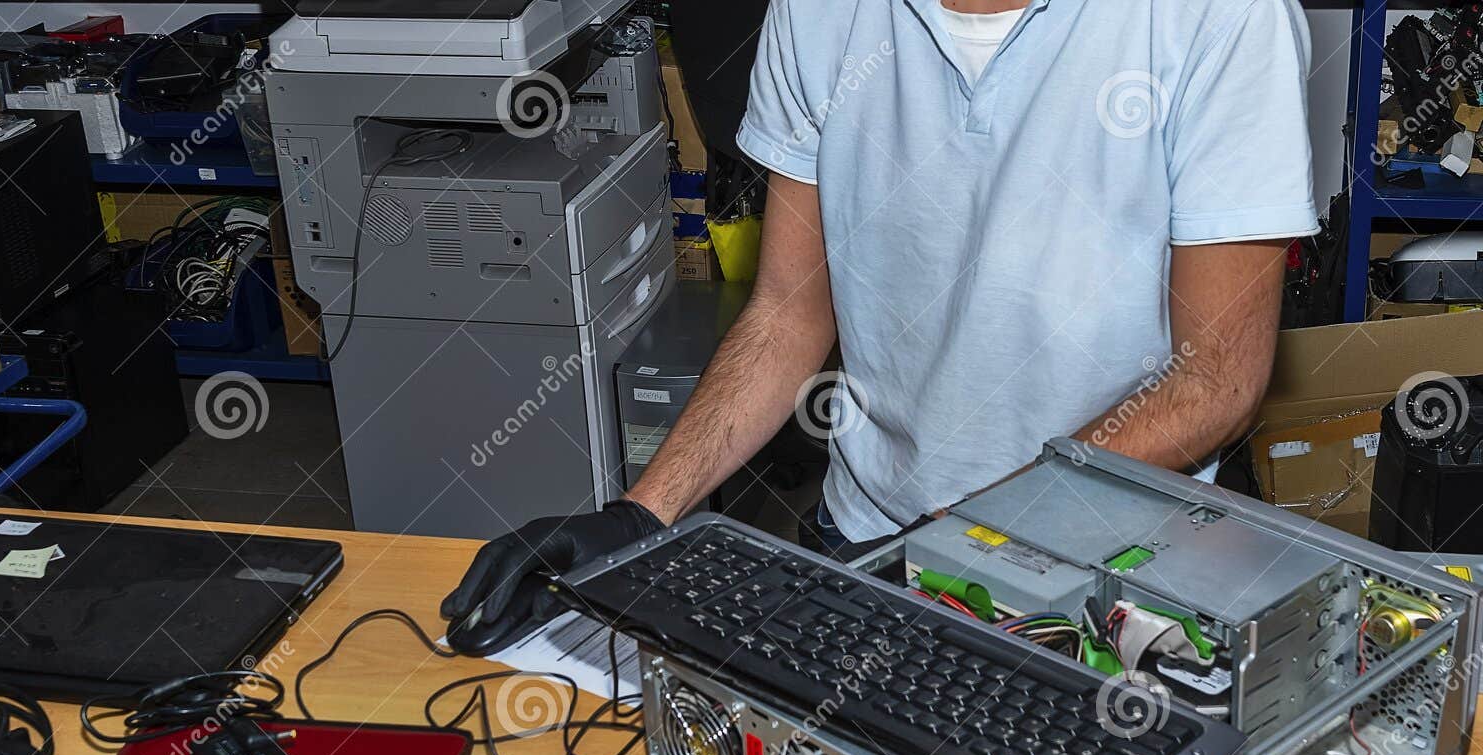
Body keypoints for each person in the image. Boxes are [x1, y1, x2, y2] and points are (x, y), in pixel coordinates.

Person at [443, 0, 1316, 653]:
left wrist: (972, 537)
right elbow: (789, 310)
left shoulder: (1219, 17)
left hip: (1120, 581)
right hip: (866, 546)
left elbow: (1218, 381)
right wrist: (643, 513)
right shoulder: (822, 12)